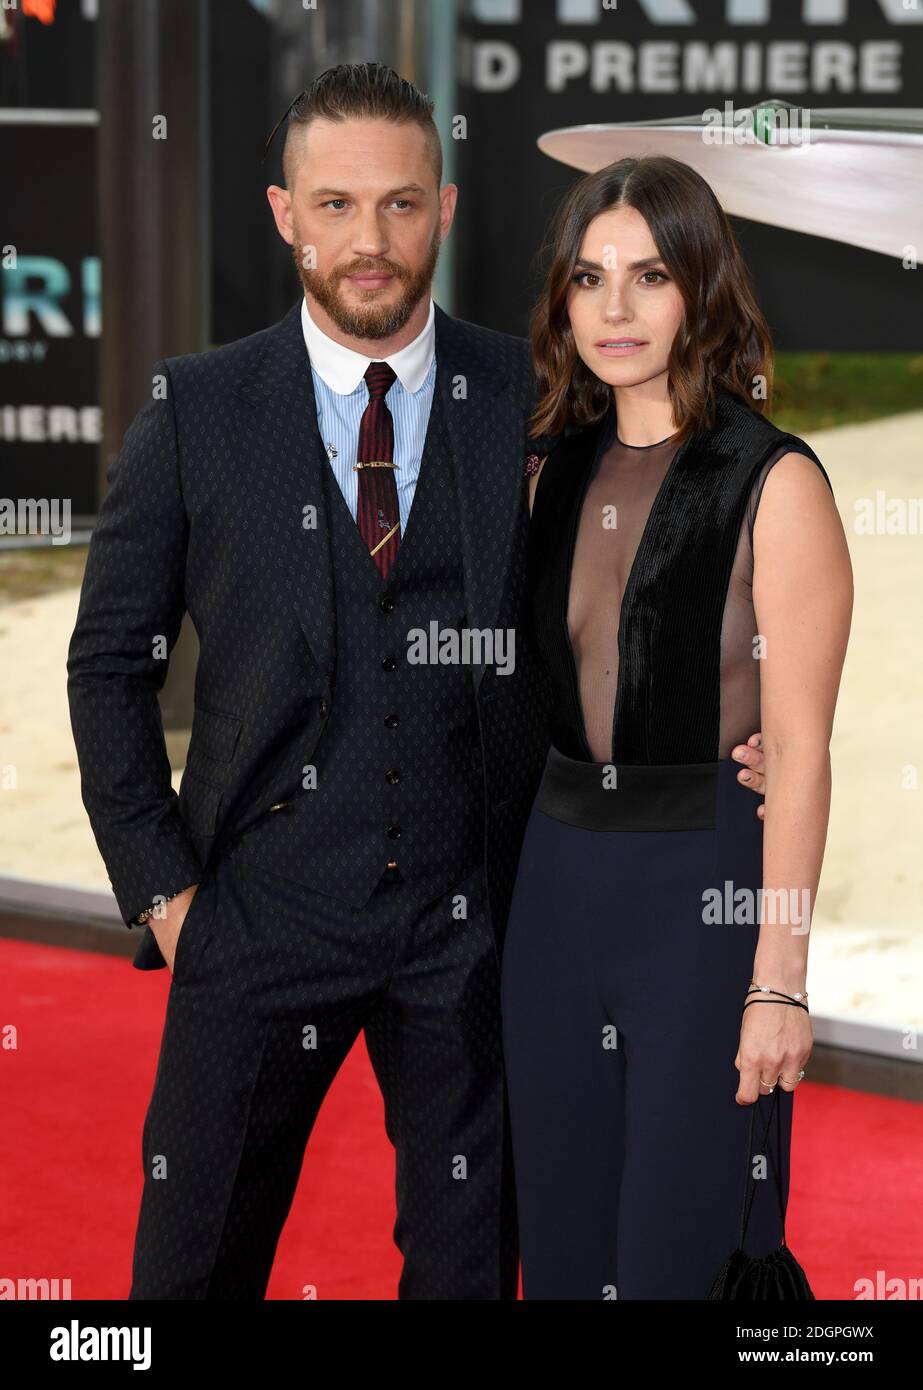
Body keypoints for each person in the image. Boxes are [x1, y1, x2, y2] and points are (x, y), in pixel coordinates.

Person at [66, 65, 768, 1300]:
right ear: (284, 213)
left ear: (441, 208)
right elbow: (106, 665)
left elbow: (668, 538)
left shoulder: (534, 398)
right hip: (255, 912)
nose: (368, 240)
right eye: (334, 205)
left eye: (398, 204)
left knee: (463, 1272)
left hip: (472, 921)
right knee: (186, 1271)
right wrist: (164, 893)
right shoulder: (197, 410)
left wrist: (736, 722)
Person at [501, 155, 853, 1300]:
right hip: (550, 894)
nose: (612, 308)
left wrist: (778, 981)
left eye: (646, 276)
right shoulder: (541, 468)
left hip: (700, 903)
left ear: (697, 290)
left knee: (677, 1253)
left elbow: (796, 750)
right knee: (557, 1252)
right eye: (587, 277)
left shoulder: (773, 481)